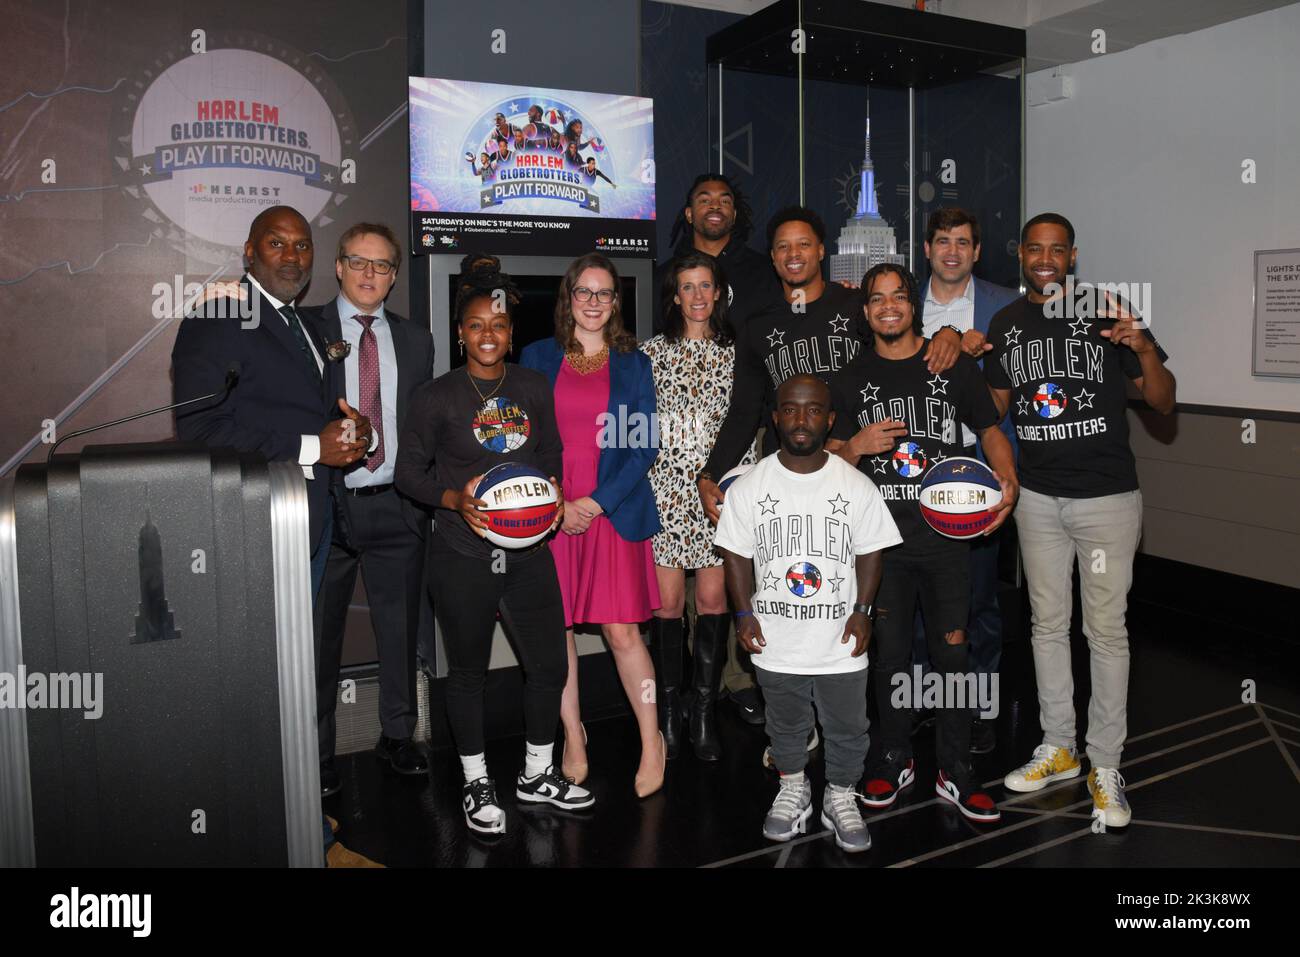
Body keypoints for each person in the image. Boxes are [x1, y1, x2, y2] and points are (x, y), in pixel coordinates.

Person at [171, 205, 377, 867]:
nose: (291, 256)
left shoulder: (299, 323)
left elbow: (313, 417)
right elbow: (198, 429)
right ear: (249, 250)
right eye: (276, 243)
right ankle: (276, 837)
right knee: (262, 687)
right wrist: (308, 445)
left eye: (301, 245)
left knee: (290, 681)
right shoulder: (217, 317)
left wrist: (349, 434)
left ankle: (297, 830)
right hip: (253, 527)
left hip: (306, 522)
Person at [986, 213, 1174, 829]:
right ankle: (1059, 746)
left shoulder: (1105, 310)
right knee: (1046, 624)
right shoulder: (1008, 324)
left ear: (1073, 255)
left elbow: (1162, 399)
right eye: (1034, 249)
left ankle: (1106, 763)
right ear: (1021, 255)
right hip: (1038, 502)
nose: (1045, 259)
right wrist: (967, 358)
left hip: (1104, 504)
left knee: (1105, 631)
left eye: (1056, 249)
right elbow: (992, 409)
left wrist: (1143, 345)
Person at [393, 257, 592, 835]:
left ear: (511, 332)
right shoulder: (436, 397)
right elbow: (408, 474)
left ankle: (536, 773)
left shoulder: (532, 385)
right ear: (461, 332)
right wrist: (455, 499)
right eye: (476, 325)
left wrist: (550, 491)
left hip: (529, 553)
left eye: (499, 325)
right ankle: (476, 781)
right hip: (463, 555)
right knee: (470, 675)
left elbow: (552, 452)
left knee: (549, 666)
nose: (488, 334)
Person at [828, 262, 1017, 823]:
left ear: (914, 306)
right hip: (878, 542)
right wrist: (856, 445)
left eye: (898, 297)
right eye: (877, 298)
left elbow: (988, 430)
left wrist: (1007, 484)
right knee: (889, 657)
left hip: (943, 539)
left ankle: (956, 769)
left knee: (952, 653)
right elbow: (823, 462)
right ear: (866, 312)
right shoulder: (850, 375)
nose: (888, 306)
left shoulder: (950, 365)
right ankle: (894, 756)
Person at [715, 374, 901, 853]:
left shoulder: (854, 483)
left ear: (830, 418)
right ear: (776, 418)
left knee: (847, 727)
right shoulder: (751, 486)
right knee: (786, 724)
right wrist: (742, 613)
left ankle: (839, 796)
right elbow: (735, 553)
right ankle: (793, 788)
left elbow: (872, 550)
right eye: (791, 410)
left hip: (838, 639)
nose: (801, 419)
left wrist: (862, 611)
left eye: (813, 409)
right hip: (777, 637)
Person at [520, 253, 666, 798]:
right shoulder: (536, 357)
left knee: (622, 632)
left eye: (604, 294)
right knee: (555, 634)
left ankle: (652, 741)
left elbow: (642, 443)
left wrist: (596, 503)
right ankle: (573, 738)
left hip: (613, 512)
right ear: (568, 296)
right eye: (584, 291)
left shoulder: (634, 363)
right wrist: (559, 501)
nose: (593, 302)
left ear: (615, 303)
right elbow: (523, 438)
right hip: (550, 513)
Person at [305, 223, 433, 799]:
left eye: (382, 266)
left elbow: (423, 425)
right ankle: (317, 752)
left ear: (394, 276)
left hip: (395, 507)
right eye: (358, 261)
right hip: (326, 507)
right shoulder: (303, 331)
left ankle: (398, 736)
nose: (368, 274)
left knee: (400, 632)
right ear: (338, 266)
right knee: (319, 639)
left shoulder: (416, 339)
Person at [641, 252, 757, 761]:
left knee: (712, 603)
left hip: (720, 494)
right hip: (664, 493)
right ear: (674, 295)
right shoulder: (648, 354)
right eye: (686, 287)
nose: (697, 296)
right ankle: (669, 712)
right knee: (666, 606)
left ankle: (704, 710)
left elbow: (748, 424)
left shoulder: (740, 354)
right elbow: (632, 425)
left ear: (719, 292)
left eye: (705, 285)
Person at [916, 207, 1021, 754]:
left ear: (977, 251)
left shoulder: (1005, 307)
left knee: (978, 601)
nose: (951, 251)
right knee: (911, 603)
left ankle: (979, 708)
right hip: (911, 477)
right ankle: (919, 703)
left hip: (978, 473)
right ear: (927, 249)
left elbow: (1017, 393)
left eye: (962, 242)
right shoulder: (900, 304)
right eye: (941, 241)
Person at [653, 174, 779, 337]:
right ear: (689, 214)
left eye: (724, 201)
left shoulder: (765, 272)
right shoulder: (664, 276)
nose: (715, 206)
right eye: (705, 200)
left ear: (734, 215)